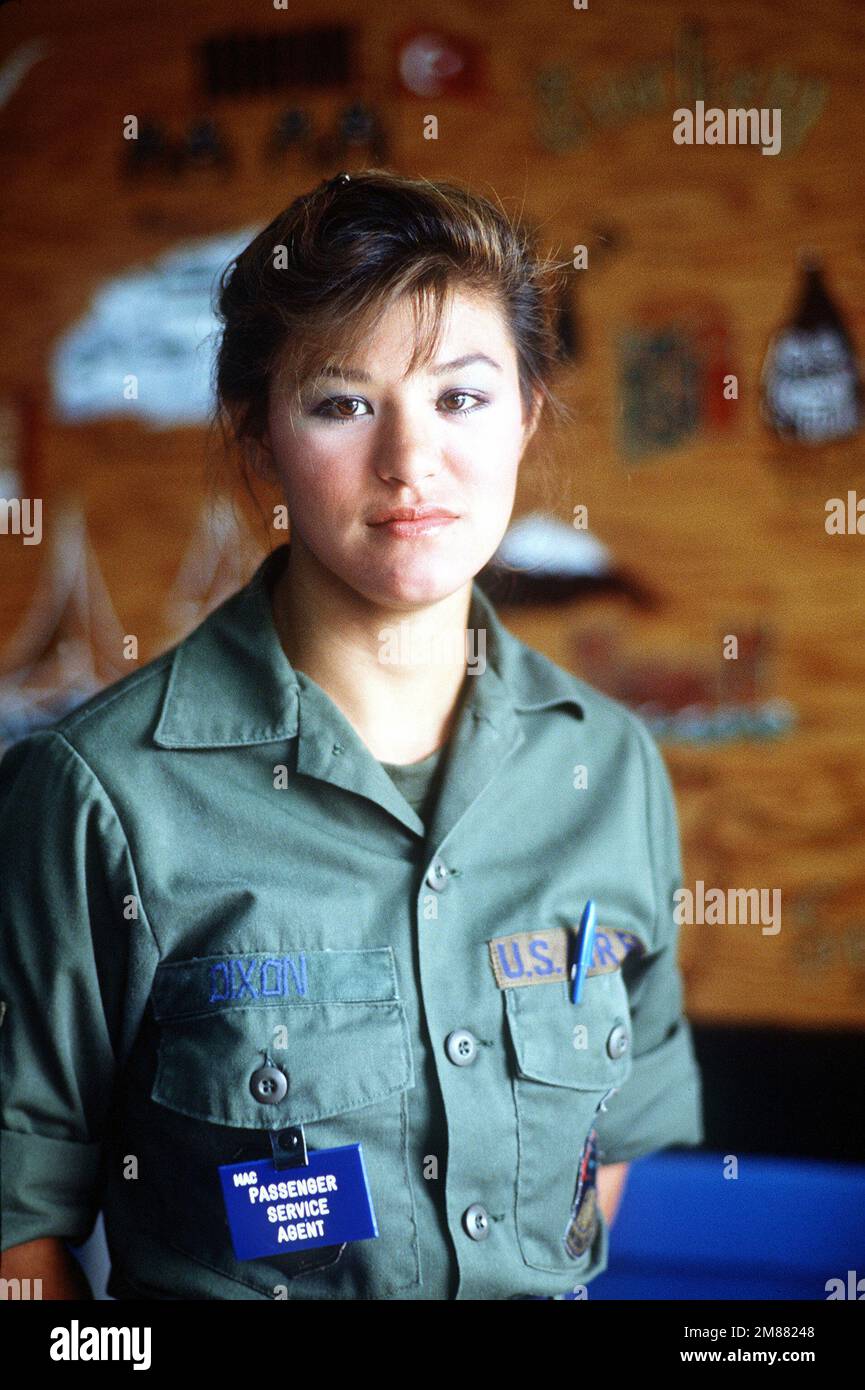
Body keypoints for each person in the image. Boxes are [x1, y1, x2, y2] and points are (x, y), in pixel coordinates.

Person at [0, 169, 703, 1301]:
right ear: (260, 438)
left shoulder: (608, 769)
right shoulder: (95, 796)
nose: (409, 463)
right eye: (341, 402)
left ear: (527, 413)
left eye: (461, 398)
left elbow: (605, 1144)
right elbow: (17, 1234)